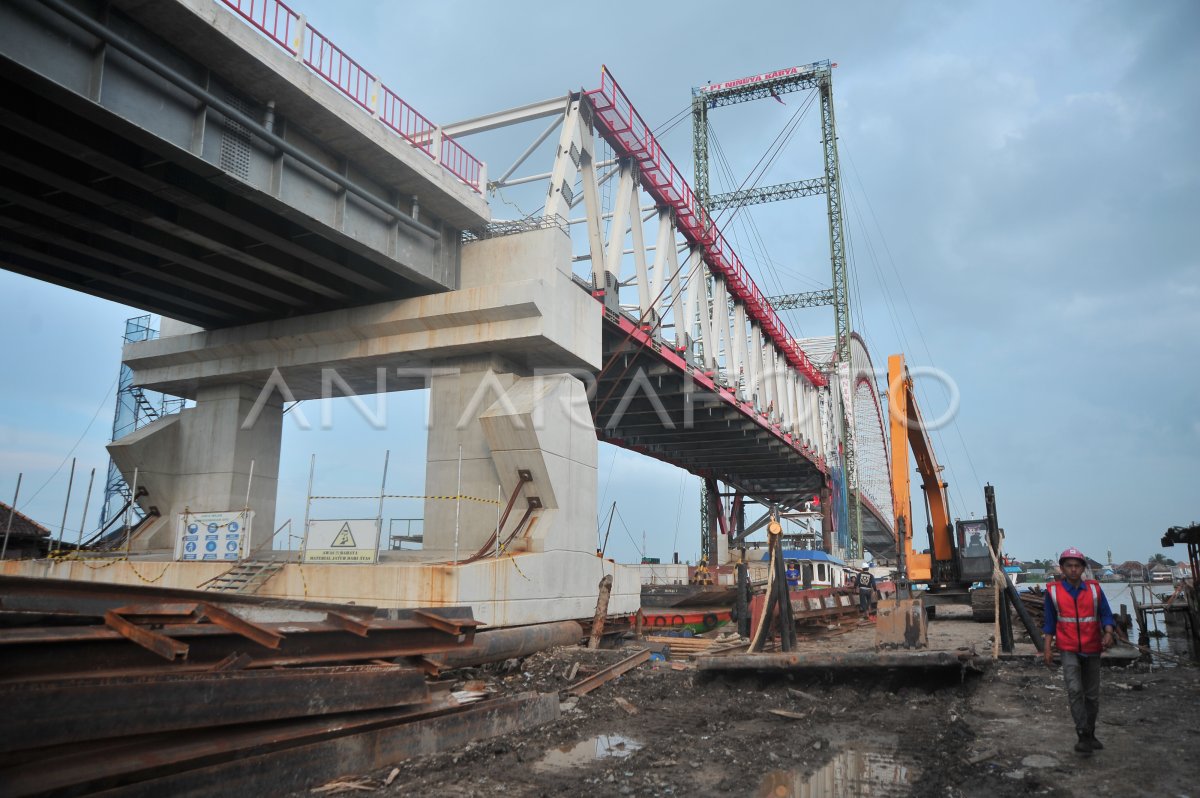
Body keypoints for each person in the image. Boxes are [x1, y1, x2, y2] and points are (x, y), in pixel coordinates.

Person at [1043, 546, 1117, 755]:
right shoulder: (1053, 592)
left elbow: (1106, 614)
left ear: (1083, 568)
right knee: (1075, 690)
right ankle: (1082, 734)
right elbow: (1049, 622)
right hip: (1068, 649)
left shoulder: (1094, 590)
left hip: (1092, 647)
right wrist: (1047, 649)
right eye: (1069, 566)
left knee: (1092, 695)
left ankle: (1091, 732)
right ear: (1062, 568)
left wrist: (1109, 632)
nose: (1073, 569)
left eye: (1077, 566)